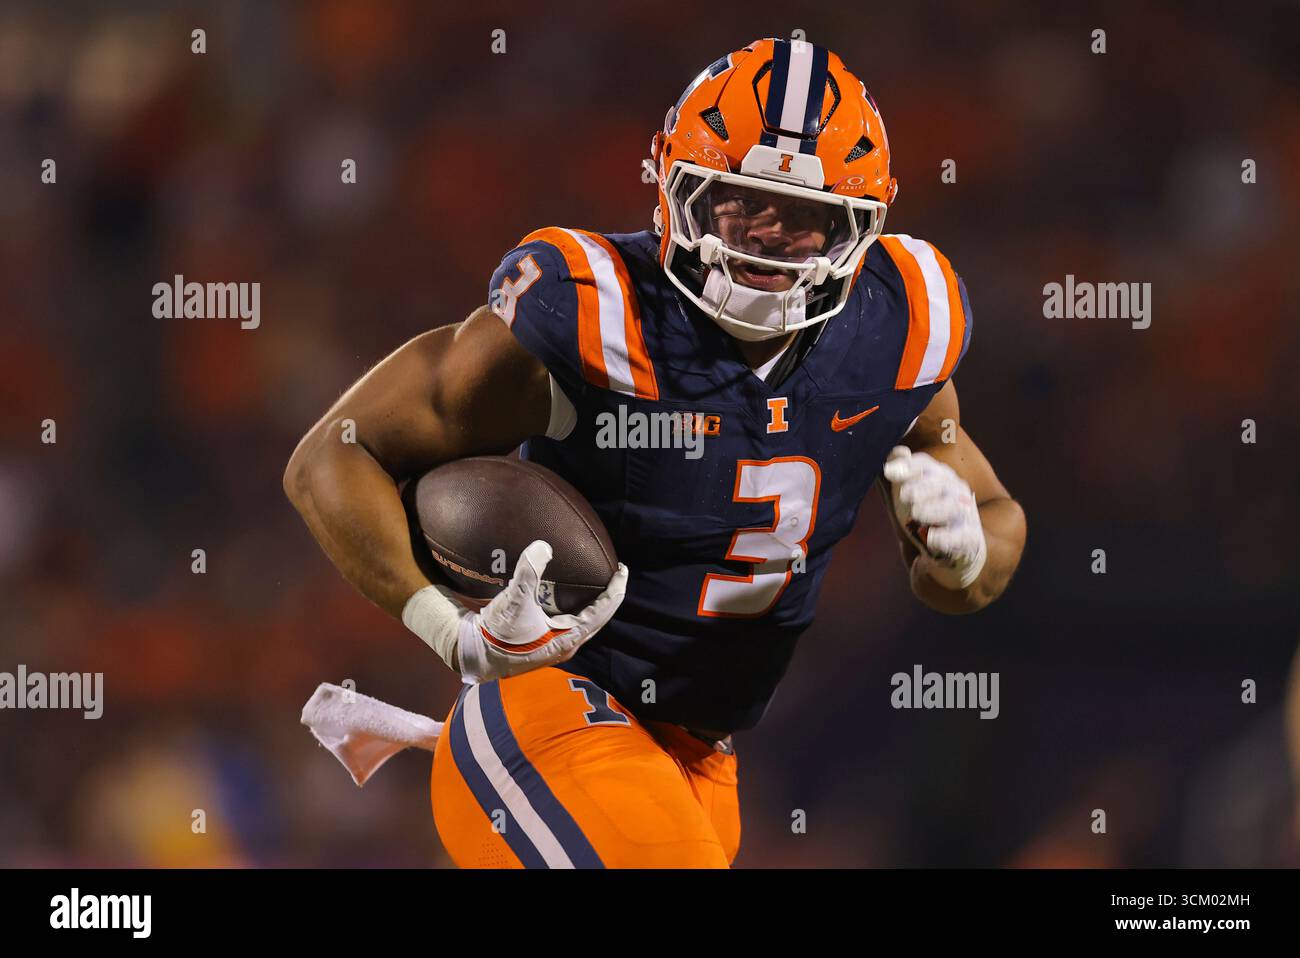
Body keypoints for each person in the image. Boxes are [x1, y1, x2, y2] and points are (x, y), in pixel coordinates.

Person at [284, 37, 1027, 868]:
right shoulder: (593, 311)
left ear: (862, 226)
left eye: (806, 219)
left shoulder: (899, 324)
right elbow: (331, 459)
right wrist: (450, 631)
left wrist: (962, 556)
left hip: (701, 761)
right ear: (675, 190)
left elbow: (985, 539)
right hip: (548, 714)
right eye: (740, 205)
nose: (770, 240)